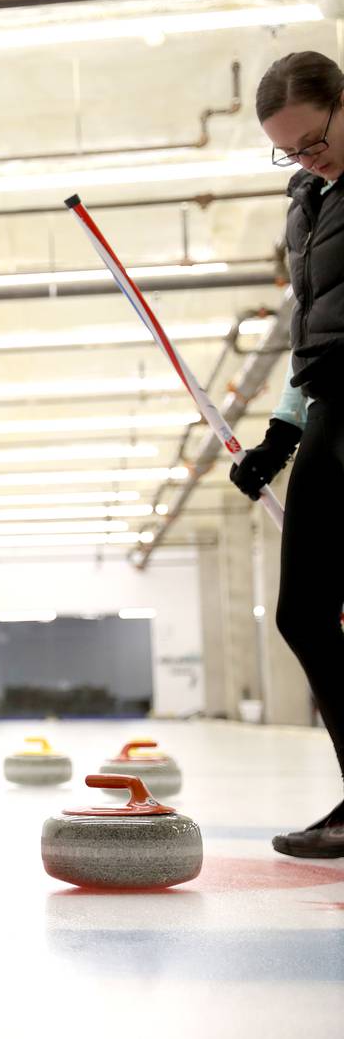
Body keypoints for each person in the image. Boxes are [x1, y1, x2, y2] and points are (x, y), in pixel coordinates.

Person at [230, 49, 344, 859]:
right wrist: (281, 432)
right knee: (302, 612)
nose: (308, 158)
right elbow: (312, 332)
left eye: (315, 139)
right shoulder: (306, 201)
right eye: (291, 150)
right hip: (331, 411)